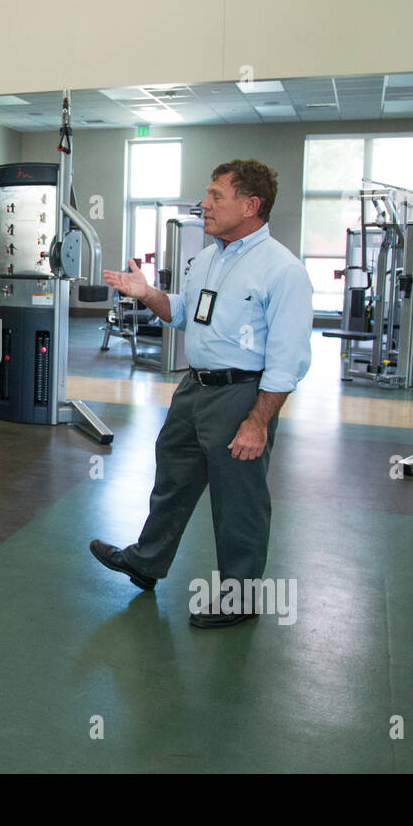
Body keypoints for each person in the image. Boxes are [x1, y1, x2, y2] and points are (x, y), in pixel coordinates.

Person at [89, 160, 313, 628]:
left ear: (251, 206)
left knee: (238, 501)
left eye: (216, 196)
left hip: (241, 395)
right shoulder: (208, 258)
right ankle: (147, 561)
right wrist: (147, 293)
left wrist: (257, 421)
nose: (205, 205)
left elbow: (288, 360)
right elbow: (184, 312)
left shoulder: (282, 270)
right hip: (195, 388)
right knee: (173, 480)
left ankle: (241, 597)